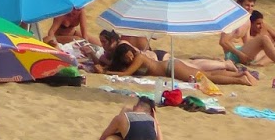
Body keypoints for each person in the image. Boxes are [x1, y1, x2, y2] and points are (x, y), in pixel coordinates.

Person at [102, 40, 256, 86]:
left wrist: (105, 72)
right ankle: (238, 74)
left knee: (205, 78)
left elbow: (125, 74)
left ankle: (240, 79)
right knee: (207, 75)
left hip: (170, 68)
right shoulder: (136, 59)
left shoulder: (139, 57)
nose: (129, 58)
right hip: (170, 67)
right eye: (126, 58)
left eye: (129, 55)